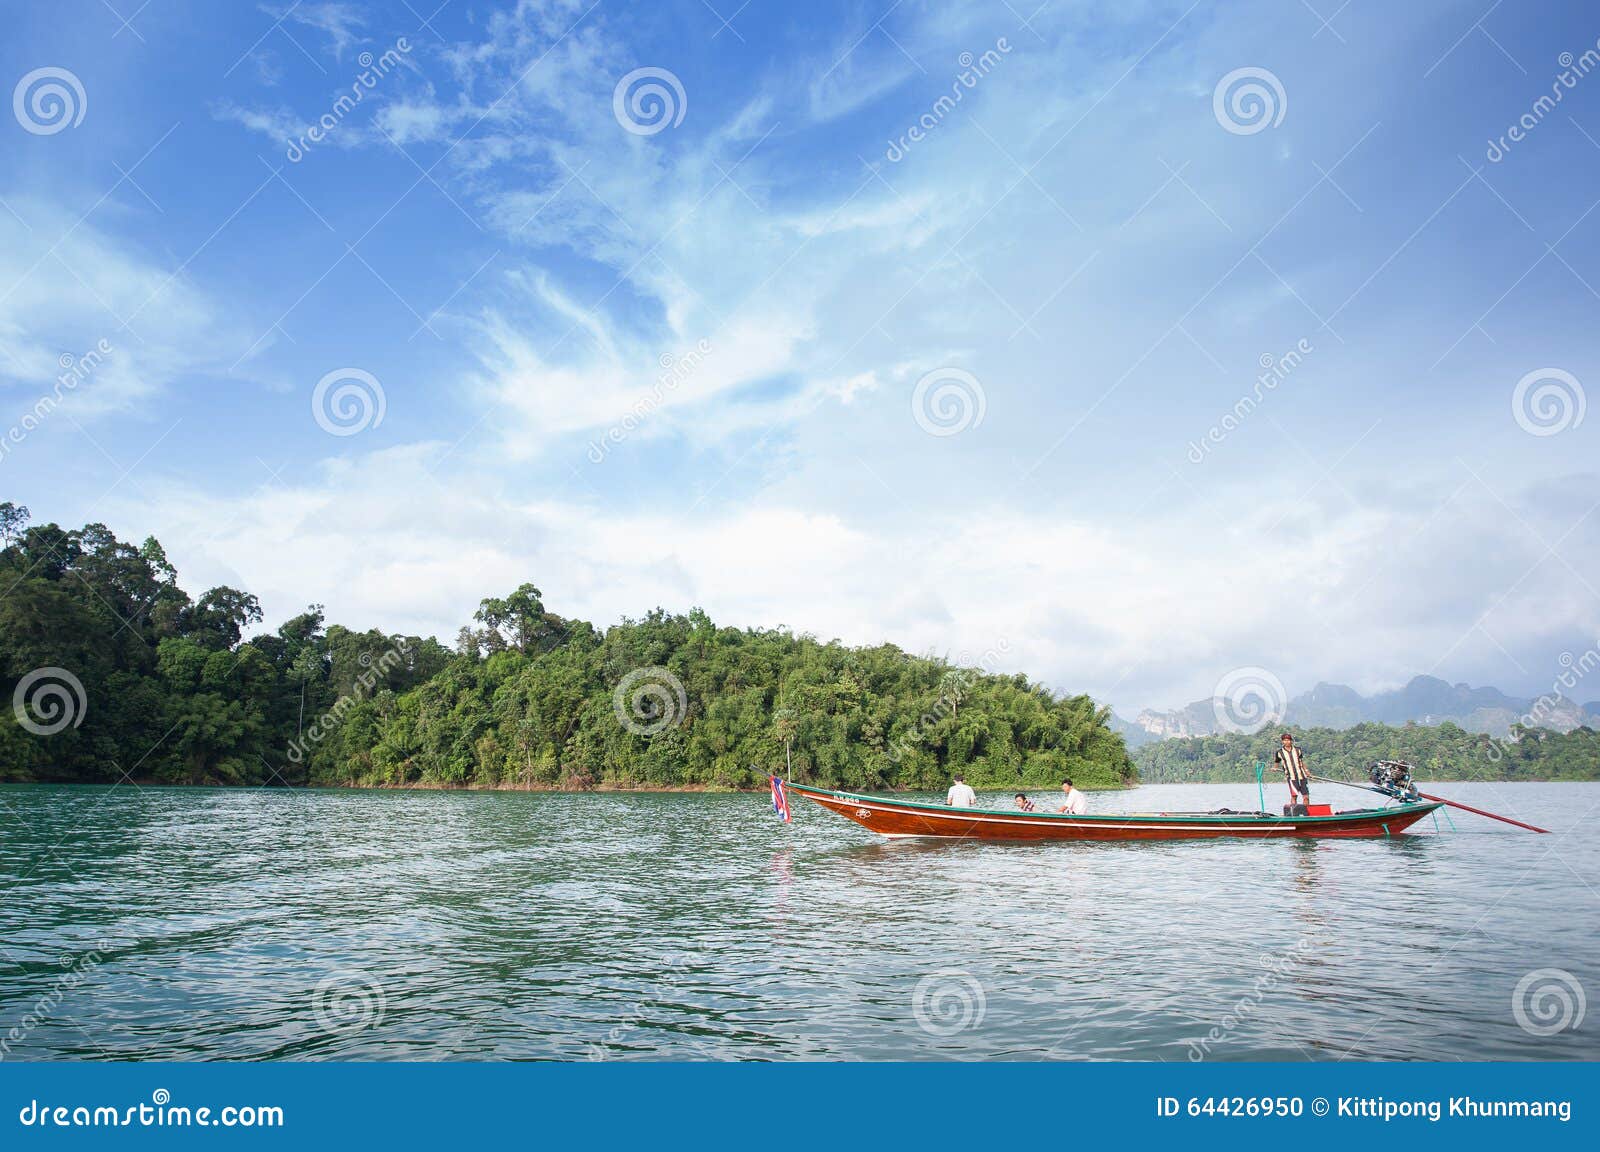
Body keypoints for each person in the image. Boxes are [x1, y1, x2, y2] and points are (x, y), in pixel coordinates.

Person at [1275, 731, 1311, 809]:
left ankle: (1306, 812)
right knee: (1294, 796)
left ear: (1291, 741)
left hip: (1302, 776)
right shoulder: (1279, 752)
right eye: (1284, 740)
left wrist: (1306, 771)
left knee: (1306, 796)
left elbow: (1301, 762)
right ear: (1282, 741)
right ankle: (1294, 812)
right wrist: (1275, 768)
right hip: (1291, 778)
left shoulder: (1298, 750)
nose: (1286, 742)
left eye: (1288, 740)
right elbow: (1277, 762)